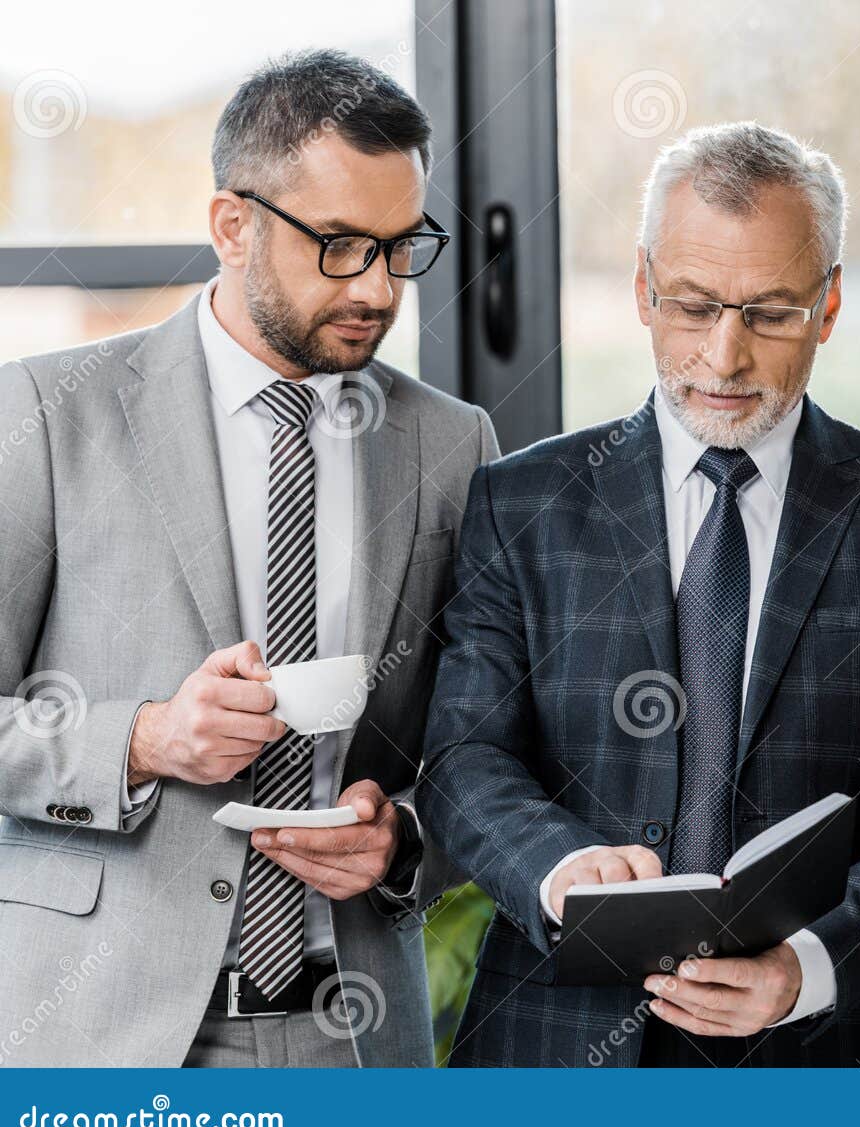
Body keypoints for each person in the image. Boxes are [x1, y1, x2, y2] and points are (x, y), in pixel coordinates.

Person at [418, 122, 860, 1067]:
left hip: (827, 1054)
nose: (724, 358)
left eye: (769, 313)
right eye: (692, 307)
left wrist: (807, 968)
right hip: (556, 1045)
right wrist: (561, 869)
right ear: (644, 290)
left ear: (830, 303)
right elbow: (462, 759)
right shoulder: (523, 502)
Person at [0, 49, 498, 1067]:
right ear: (233, 226)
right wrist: (142, 741)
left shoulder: (453, 445)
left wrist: (402, 837)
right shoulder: (48, 416)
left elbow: (490, 743)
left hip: (350, 1038)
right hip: (99, 1034)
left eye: (404, 248)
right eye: (342, 245)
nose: (378, 287)